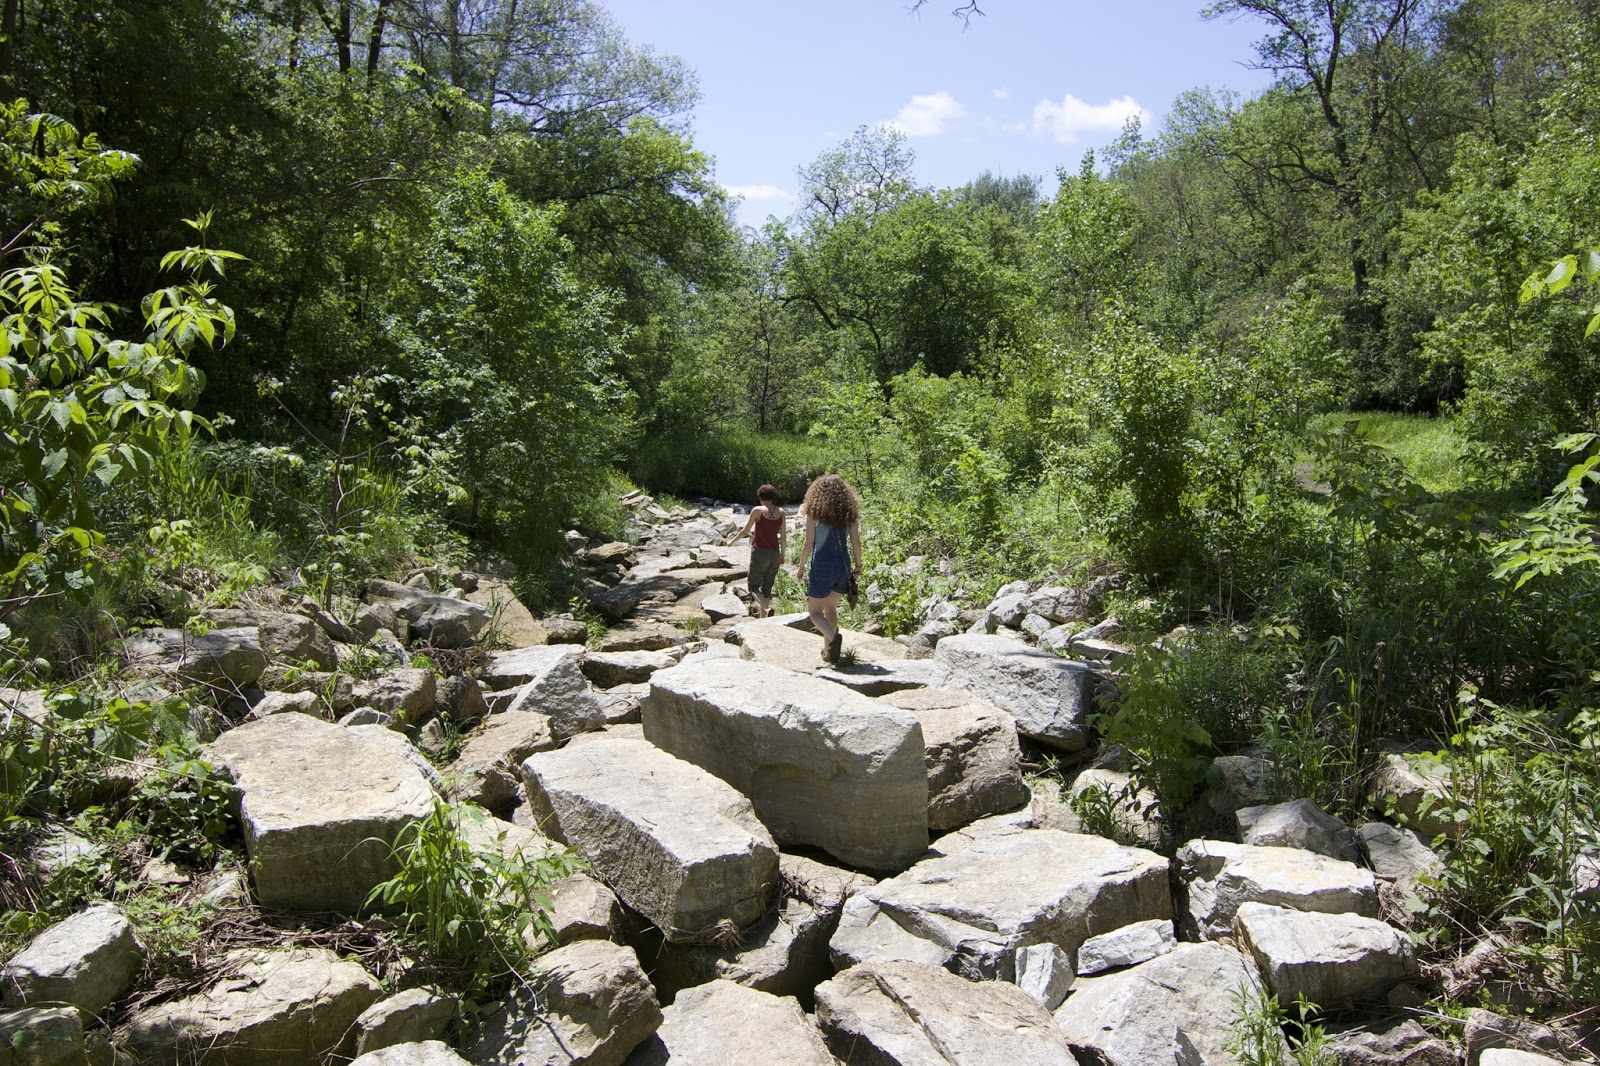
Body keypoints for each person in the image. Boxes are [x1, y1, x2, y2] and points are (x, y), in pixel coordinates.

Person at [794, 473, 862, 664]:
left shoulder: (814, 513)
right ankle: (829, 652)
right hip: (843, 565)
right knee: (830, 608)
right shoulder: (849, 515)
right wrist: (858, 565)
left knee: (815, 613)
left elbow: (808, 544)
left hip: (822, 566)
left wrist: (801, 566)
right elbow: (856, 542)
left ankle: (834, 638)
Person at [723, 483, 786, 618]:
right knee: (767, 587)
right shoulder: (781, 512)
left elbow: (745, 531)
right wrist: (782, 555)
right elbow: (784, 536)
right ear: (773, 496)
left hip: (760, 552)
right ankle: (764, 619)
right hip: (775, 553)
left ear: (760, 496)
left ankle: (766, 609)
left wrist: (731, 541)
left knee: (753, 587)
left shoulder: (757, 510)